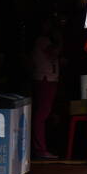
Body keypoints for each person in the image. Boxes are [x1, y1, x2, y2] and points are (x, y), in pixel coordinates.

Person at [30, 15, 62, 159]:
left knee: (43, 113)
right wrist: (60, 40)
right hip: (45, 79)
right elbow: (54, 52)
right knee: (42, 114)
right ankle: (40, 148)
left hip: (46, 78)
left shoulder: (42, 41)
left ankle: (41, 147)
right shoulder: (43, 40)